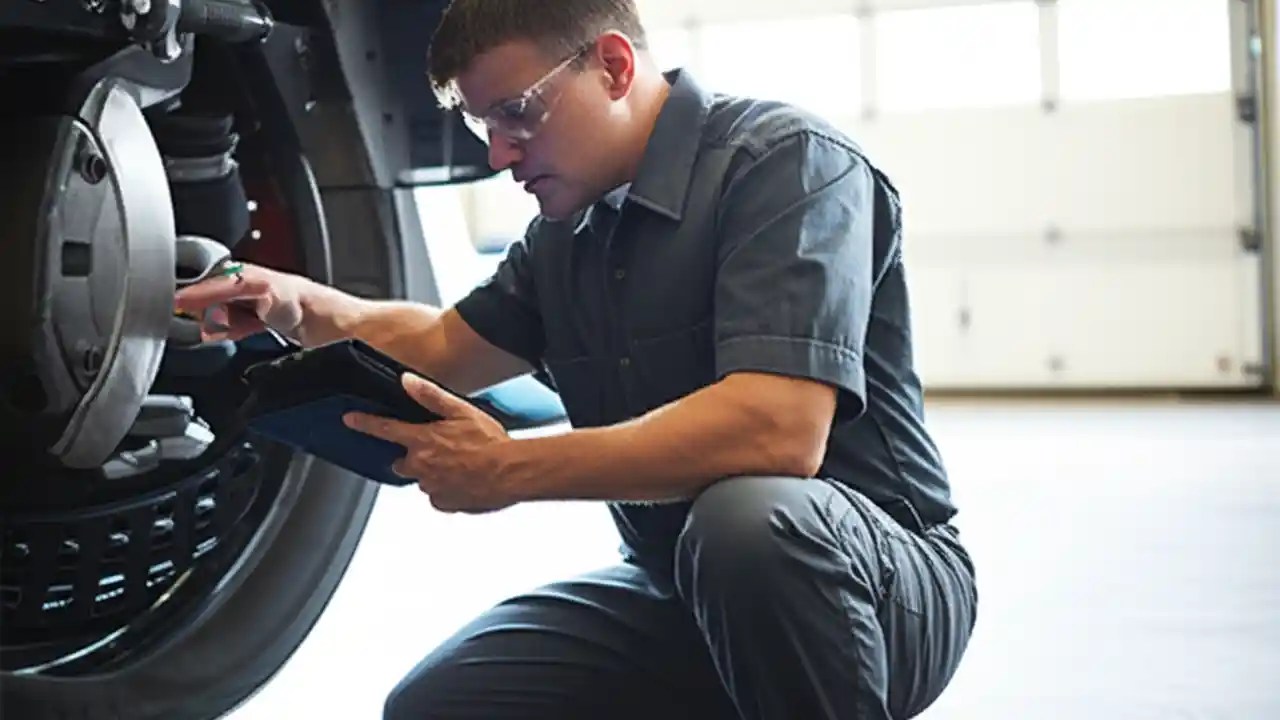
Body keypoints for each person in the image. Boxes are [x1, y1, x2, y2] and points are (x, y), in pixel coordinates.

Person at [175, 1, 978, 717]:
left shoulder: (787, 165)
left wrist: (510, 469)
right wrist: (292, 303)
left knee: (747, 524)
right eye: (481, 125)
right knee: (440, 706)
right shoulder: (564, 239)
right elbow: (441, 346)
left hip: (871, 589)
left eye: (516, 113)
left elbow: (775, 433)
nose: (497, 154)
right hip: (679, 593)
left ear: (614, 66)